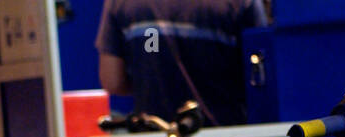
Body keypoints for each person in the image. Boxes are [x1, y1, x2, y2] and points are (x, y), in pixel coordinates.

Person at [96, 0, 268, 126]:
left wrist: (152, 77)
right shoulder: (244, 3)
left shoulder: (119, 3)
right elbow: (262, 82)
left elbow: (113, 81)